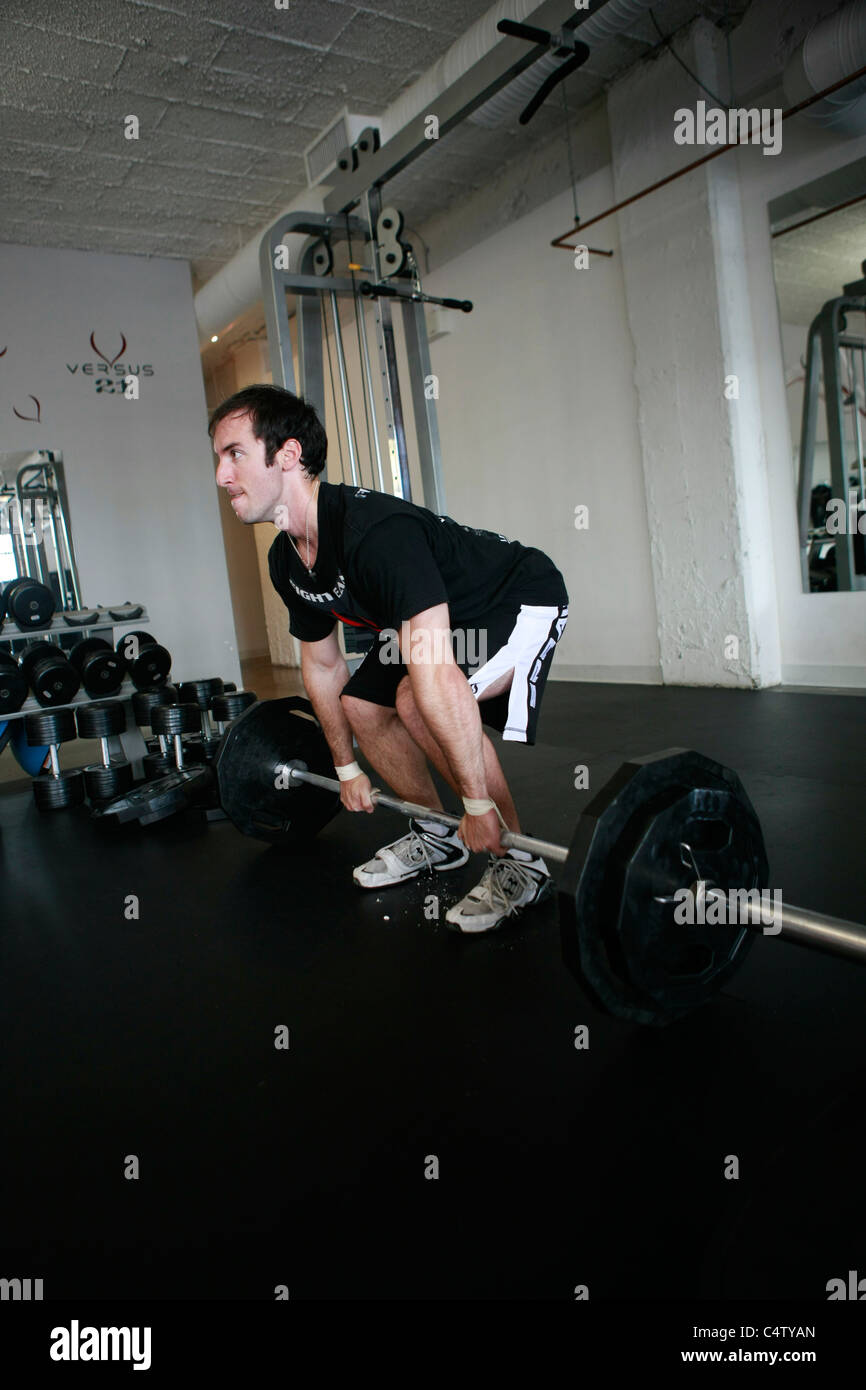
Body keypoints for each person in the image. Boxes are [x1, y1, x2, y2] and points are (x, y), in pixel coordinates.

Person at [210, 384, 568, 933]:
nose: (221, 476)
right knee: (363, 705)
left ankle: (519, 862)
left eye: (234, 454)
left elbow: (432, 669)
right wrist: (346, 766)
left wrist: (477, 802)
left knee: (416, 700)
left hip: (512, 597)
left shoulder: (374, 535)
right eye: (218, 459)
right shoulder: (287, 560)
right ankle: (438, 834)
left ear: (287, 456)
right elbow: (326, 666)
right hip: (433, 619)